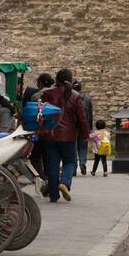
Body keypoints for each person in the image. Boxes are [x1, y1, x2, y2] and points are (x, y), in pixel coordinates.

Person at [40, 69, 90, 203]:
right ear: (70, 79)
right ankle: (65, 183)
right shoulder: (75, 96)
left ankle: (53, 195)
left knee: (52, 164)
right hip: (68, 136)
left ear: (56, 79)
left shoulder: (47, 93)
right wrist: (85, 134)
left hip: (49, 135)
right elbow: (82, 118)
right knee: (69, 162)